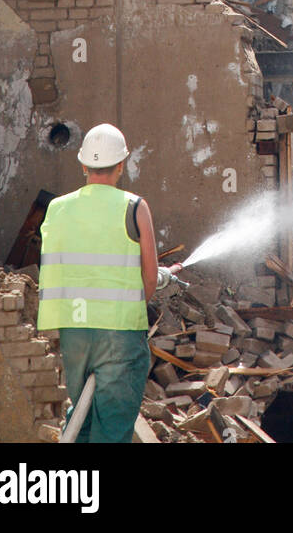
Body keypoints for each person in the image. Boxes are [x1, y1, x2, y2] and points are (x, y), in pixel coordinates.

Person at [37, 123, 172, 443]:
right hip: (119, 333)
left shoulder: (57, 209)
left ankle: (78, 490)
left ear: (84, 164)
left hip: (75, 331)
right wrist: (133, 309)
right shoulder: (135, 207)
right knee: (111, 426)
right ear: (121, 165)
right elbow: (150, 277)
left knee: (80, 418)